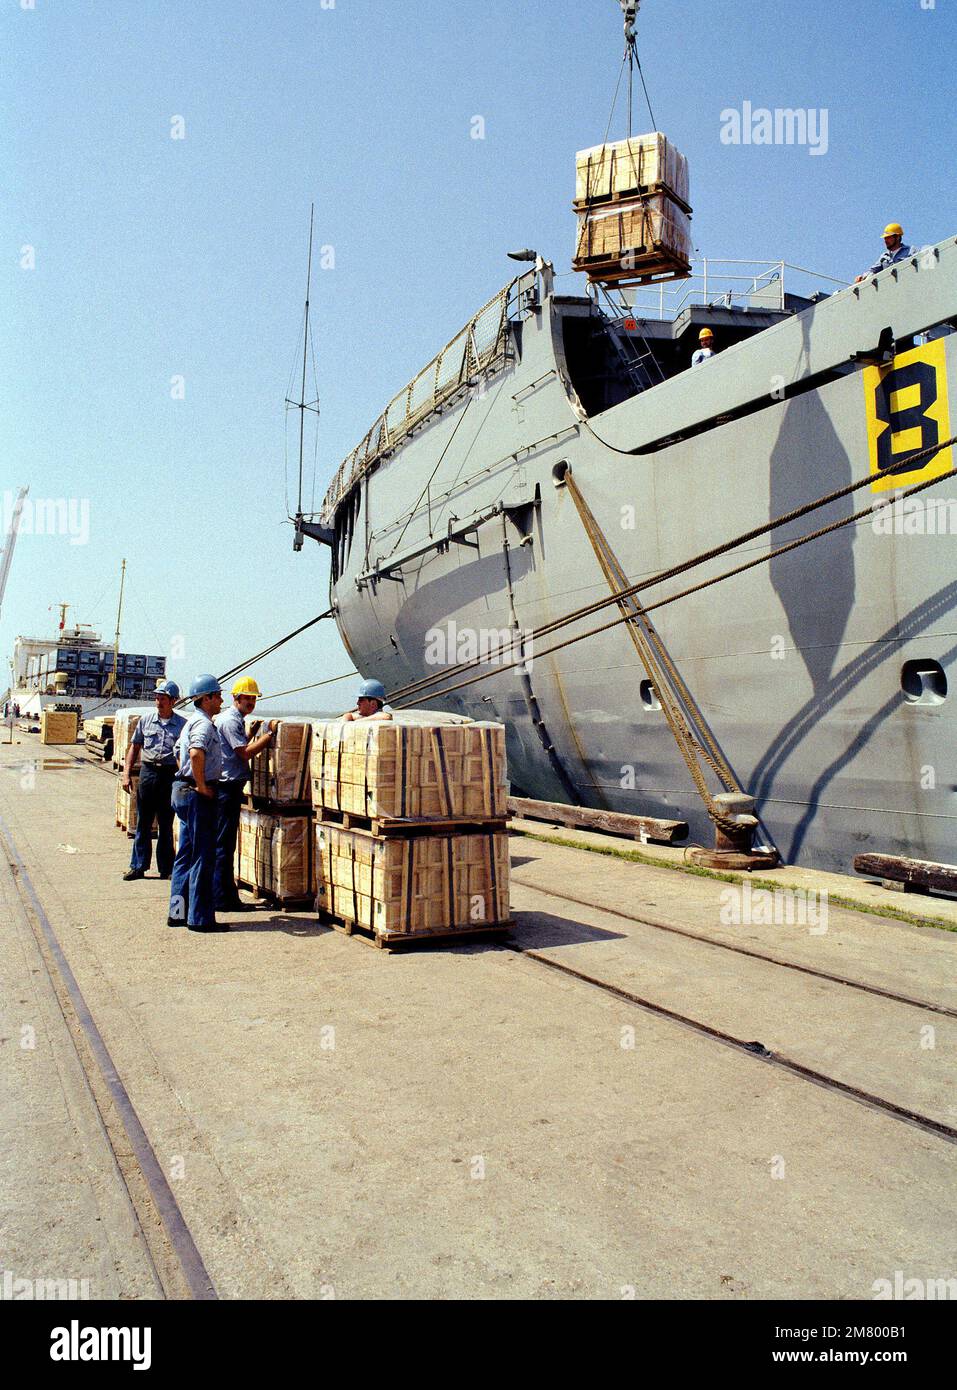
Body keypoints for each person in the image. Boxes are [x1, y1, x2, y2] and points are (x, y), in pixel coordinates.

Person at [168, 674, 226, 933]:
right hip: (197, 795)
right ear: (207, 699)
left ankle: (177, 913)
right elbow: (195, 753)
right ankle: (200, 919)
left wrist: (188, 778)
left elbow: (177, 751)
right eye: (218, 695)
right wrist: (201, 785)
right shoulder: (203, 725)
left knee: (184, 855)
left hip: (181, 791)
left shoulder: (189, 723)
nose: (222, 700)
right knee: (203, 856)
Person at [213, 675, 276, 912]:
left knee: (225, 844)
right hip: (227, 789)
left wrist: (252, 733)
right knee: (224, 845)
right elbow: (244, 754)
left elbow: (236, 746)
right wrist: (269, 736)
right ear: (236, 698)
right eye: (247, 698)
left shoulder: (235, 719)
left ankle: (224, 896)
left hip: (229, 788)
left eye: (253, 698)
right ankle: (223, 899)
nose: (251, 702)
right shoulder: (230, 720)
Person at [122, 681, 185, 882]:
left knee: (166, 824)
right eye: (157, 698)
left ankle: (166, 868)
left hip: (169, 775)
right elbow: (134, 748)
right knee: (143, 822)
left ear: (173, 701)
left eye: (163, 699)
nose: (158, 702)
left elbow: (186, 754)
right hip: (148, 774)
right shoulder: (146, 721)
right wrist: (126, 773)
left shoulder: (182, 725)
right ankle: (138, 866)